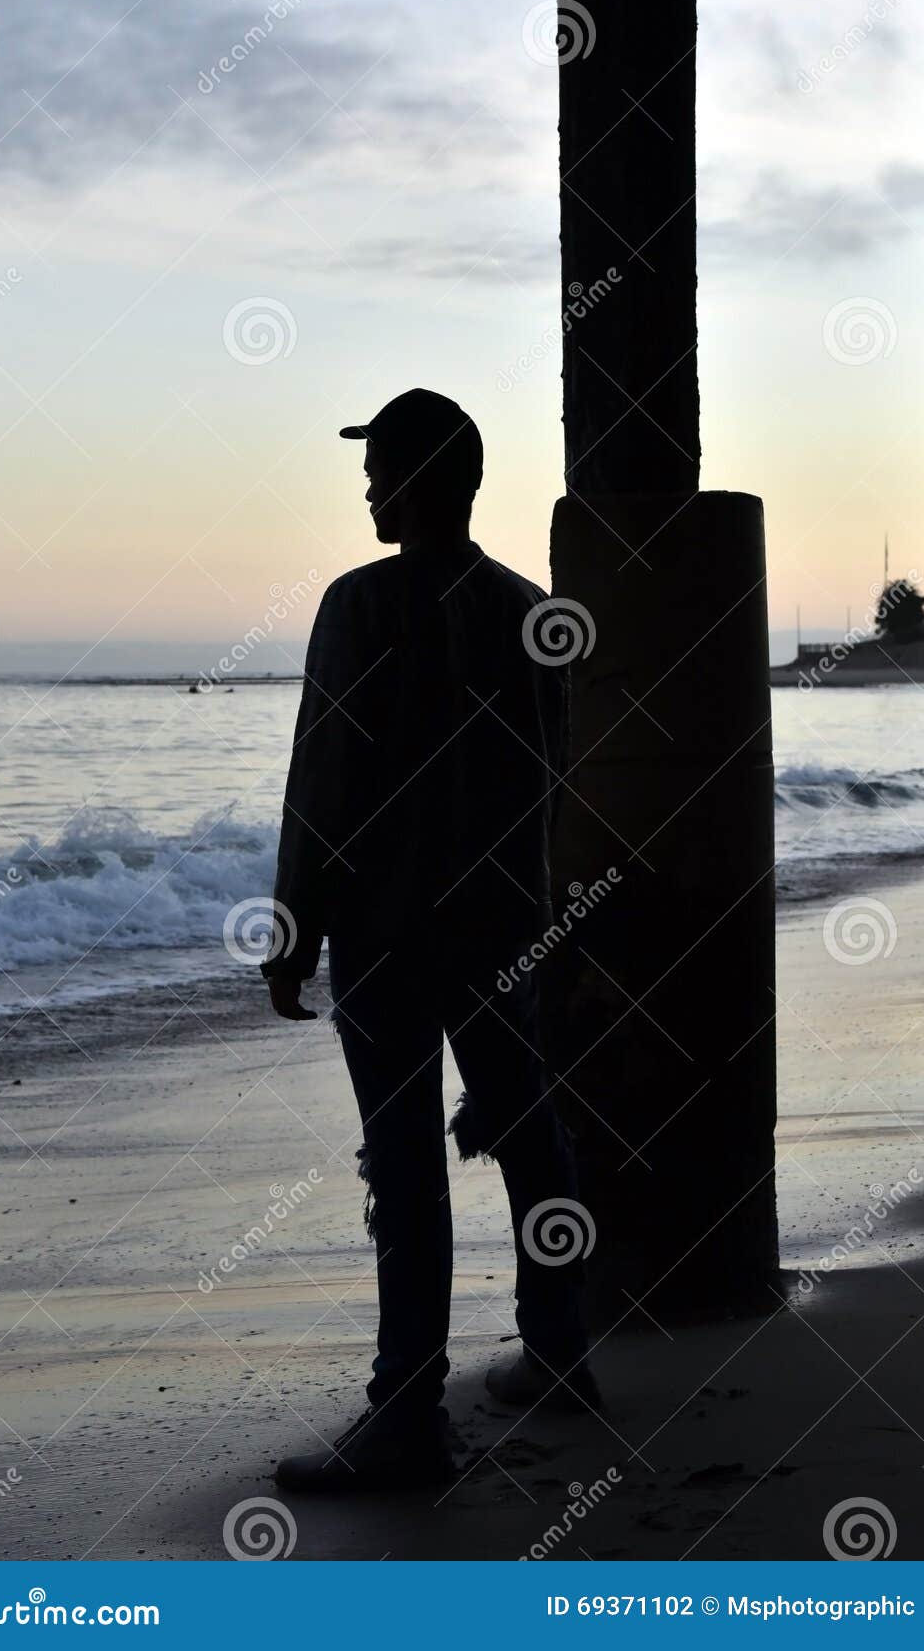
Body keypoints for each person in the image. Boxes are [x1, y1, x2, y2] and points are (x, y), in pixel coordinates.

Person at [262, 388, 599, 1493]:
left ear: (424, 479)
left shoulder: (360, 605)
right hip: (498, 922)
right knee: (527, 1128)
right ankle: (560, 1351)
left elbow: (326, 775)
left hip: (388, 925)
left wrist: (293, 919)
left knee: (403, 1162)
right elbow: (550, 784)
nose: (367, 484)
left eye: (383, 466)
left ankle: (406, 1414)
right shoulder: (528, 610)